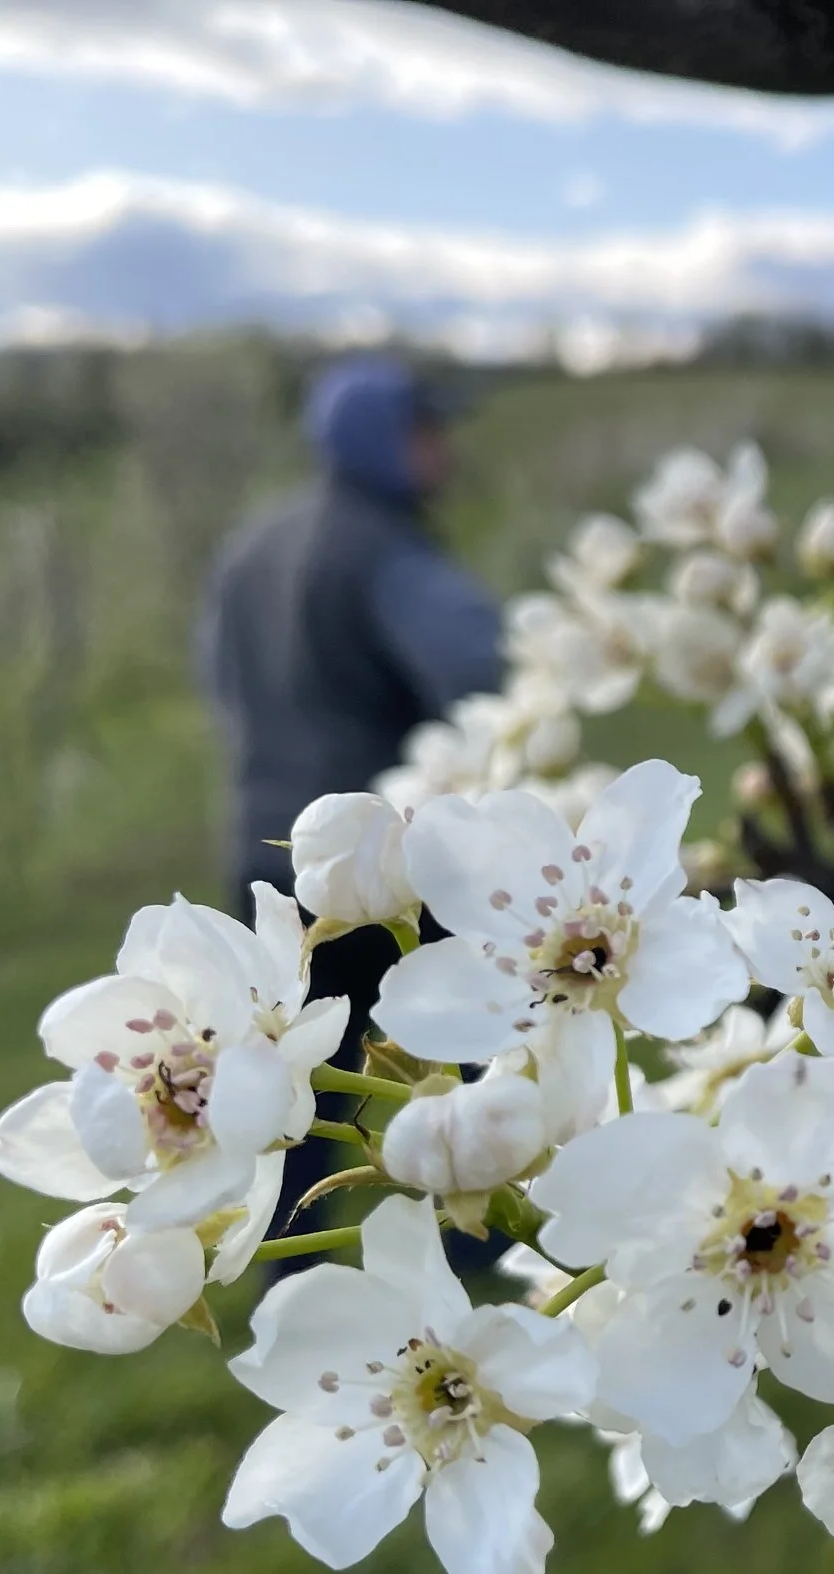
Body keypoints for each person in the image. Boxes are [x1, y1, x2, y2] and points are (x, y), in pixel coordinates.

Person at [196, 355, 502, 1250]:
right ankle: (482, 1255)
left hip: (264, 854)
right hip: (381, 868)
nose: (443, 450)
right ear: (384, 443)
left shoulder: (253, 542)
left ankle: (283, 1276)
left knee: (291, 1083)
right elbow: (479, 675)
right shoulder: (387, 550)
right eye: (427, 431)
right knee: (471, 1065)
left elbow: (215, 676)